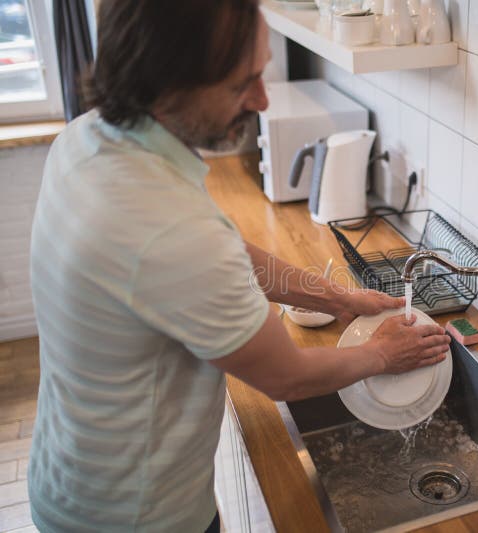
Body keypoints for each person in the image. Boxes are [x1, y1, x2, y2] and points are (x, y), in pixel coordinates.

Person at [27, 1, 450, 531]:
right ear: (170, 84)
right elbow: (285, 376)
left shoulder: (89, 138)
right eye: (242, 83)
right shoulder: (169, 227)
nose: (263, 98)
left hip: (72, 478)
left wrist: (341, 300)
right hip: (134, 516)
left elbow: (230, 257)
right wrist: (381, 355)